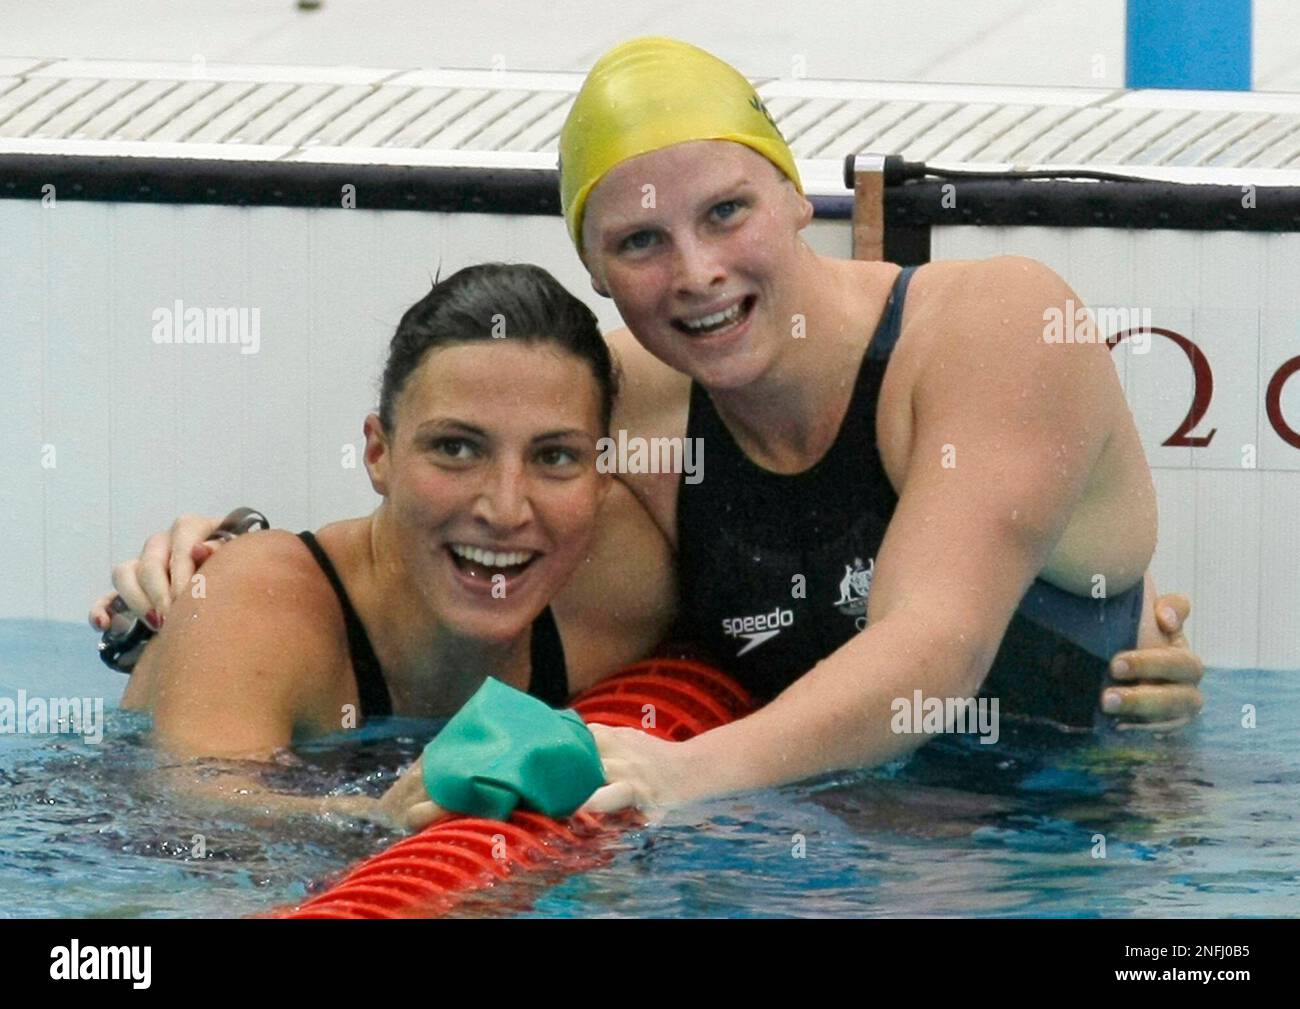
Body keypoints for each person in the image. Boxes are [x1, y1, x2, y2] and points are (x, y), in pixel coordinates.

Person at [94, 38, 1204, 825]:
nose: (696, 272)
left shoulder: (997, 327)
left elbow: (928, 648)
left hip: (1071, 830)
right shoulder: (635, 388)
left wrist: (675, 775)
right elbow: (451, 487)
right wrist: (214, 565)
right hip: (801, 841)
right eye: (639, 242)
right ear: (598, 277)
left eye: (725, 211)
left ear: (793, 196)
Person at [112, 263, 672, 825]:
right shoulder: (260, 603)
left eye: (554, 457)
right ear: (378, 454)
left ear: (601, 480)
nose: (505, 511)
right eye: (456, 448)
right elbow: (185, 814)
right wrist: (375, 818)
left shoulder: (625, 586)